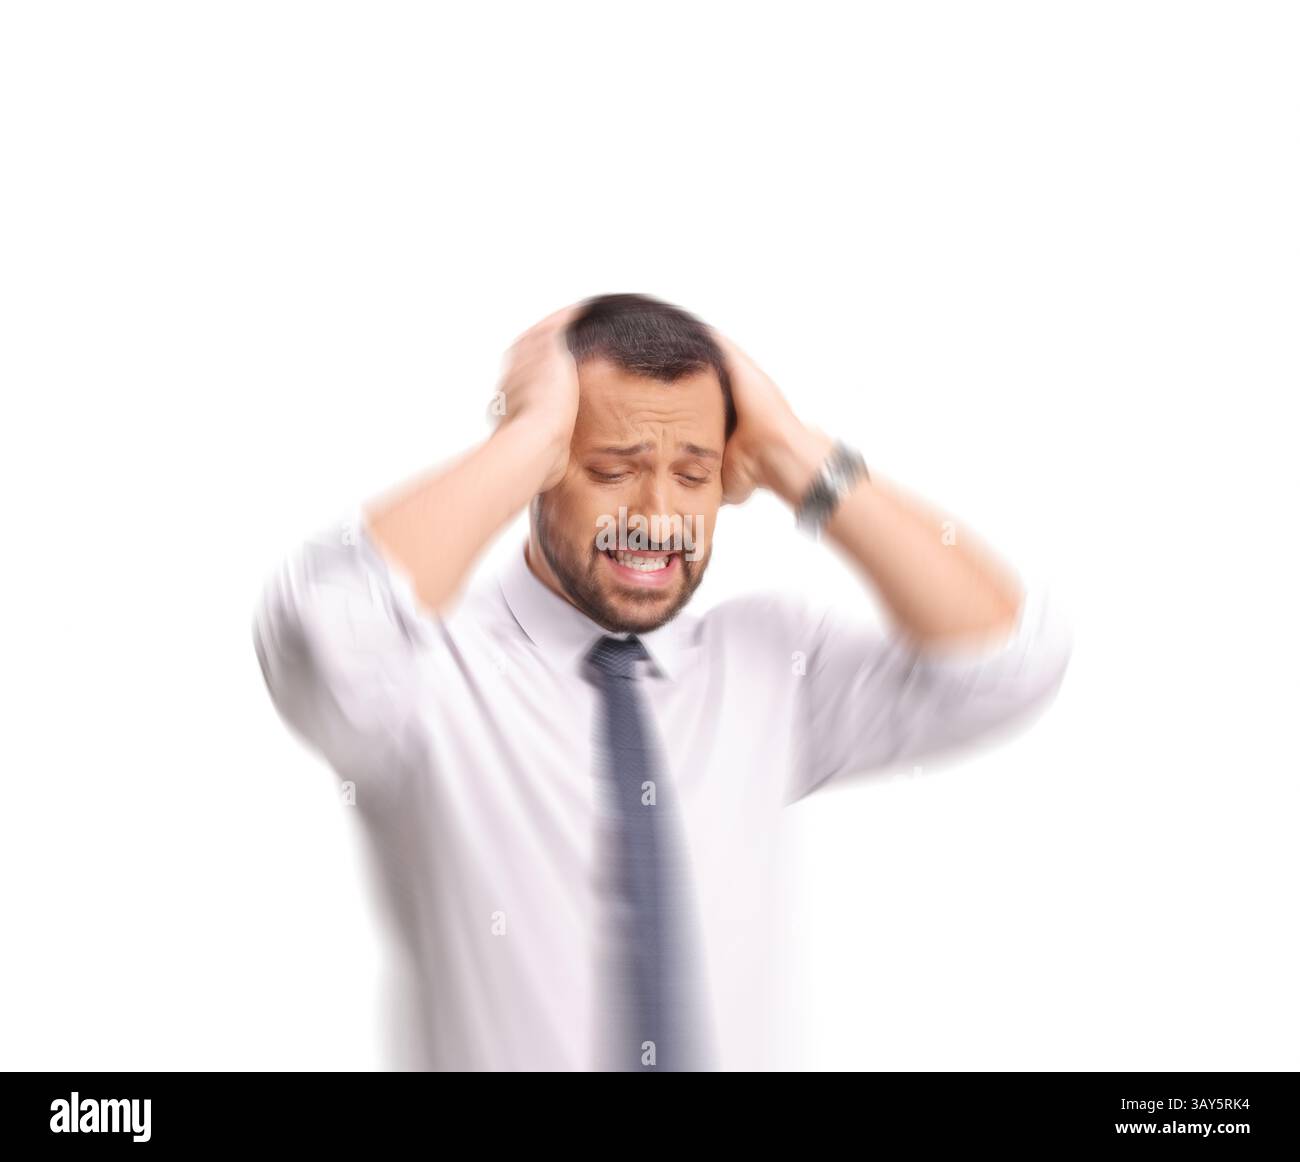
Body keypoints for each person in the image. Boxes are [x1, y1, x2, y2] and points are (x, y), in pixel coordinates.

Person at [252, 292, 1072, 1071]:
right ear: (540, 472)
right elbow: (315, 632)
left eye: (693, 474)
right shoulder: (424, 679)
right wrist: (525, 434)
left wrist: (793, 449)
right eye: (613, 469)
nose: (659, 514)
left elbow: (1009, 660)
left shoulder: (768, 665)